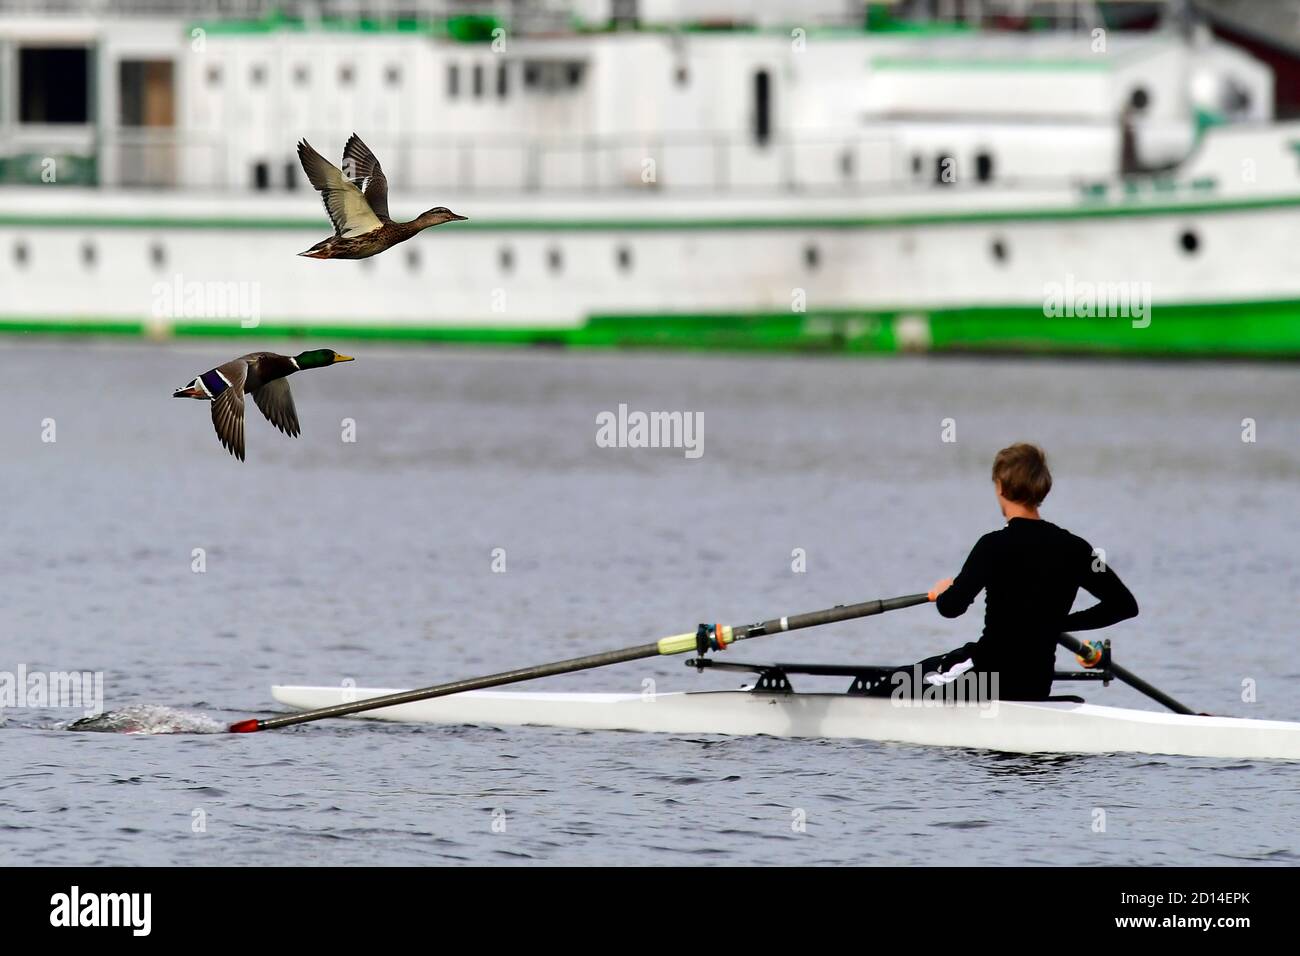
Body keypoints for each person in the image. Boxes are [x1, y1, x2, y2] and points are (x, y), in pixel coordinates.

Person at [877, 443, 1138, 702]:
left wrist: (943, 593)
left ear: (1001, 486)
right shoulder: (1075, 548)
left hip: (985, 678)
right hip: (1035, 683)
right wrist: (1058, 623)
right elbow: (1123, 605)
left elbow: (952, 608)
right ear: (1042, 489)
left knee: (885, 685)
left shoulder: (993, 545)